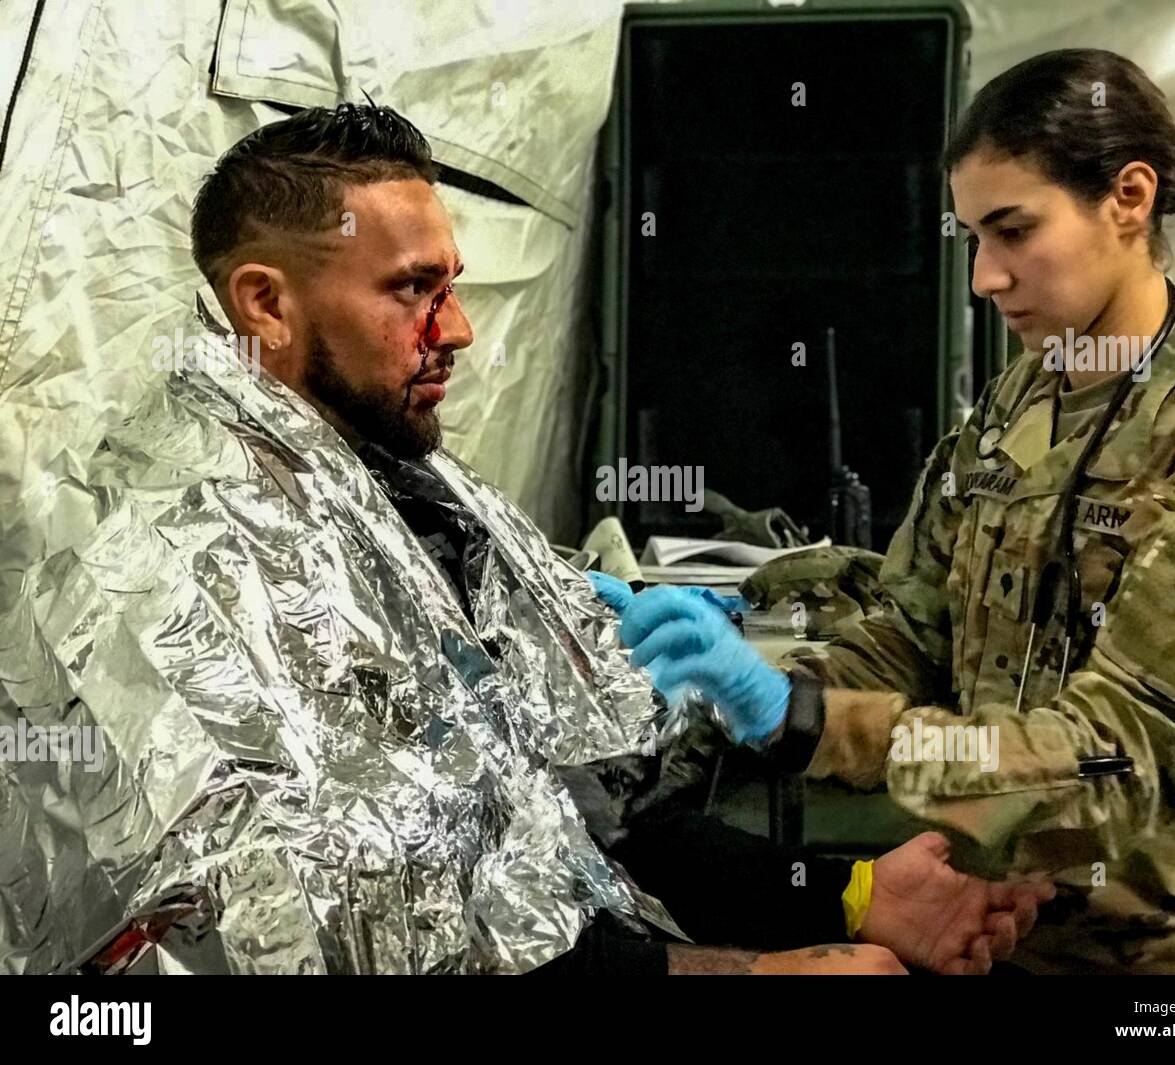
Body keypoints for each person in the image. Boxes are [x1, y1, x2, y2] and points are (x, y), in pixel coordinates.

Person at [183, 102, 1049, 975]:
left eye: (451, 287)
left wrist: (847, 894)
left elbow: (580, 830)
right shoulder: (214, 562)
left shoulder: (404, 496)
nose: (457, 329)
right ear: (267, 303)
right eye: (413, 289)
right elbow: (401, 946)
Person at [597, 49, 1175, 974]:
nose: (984, 279)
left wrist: (806, 720)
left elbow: (1113, 757)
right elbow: (914, 628)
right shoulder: (1020, 405)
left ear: (1129, 199)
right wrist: (725, 693)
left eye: (1013, 231)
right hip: (1009, 930)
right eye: (972, 238)